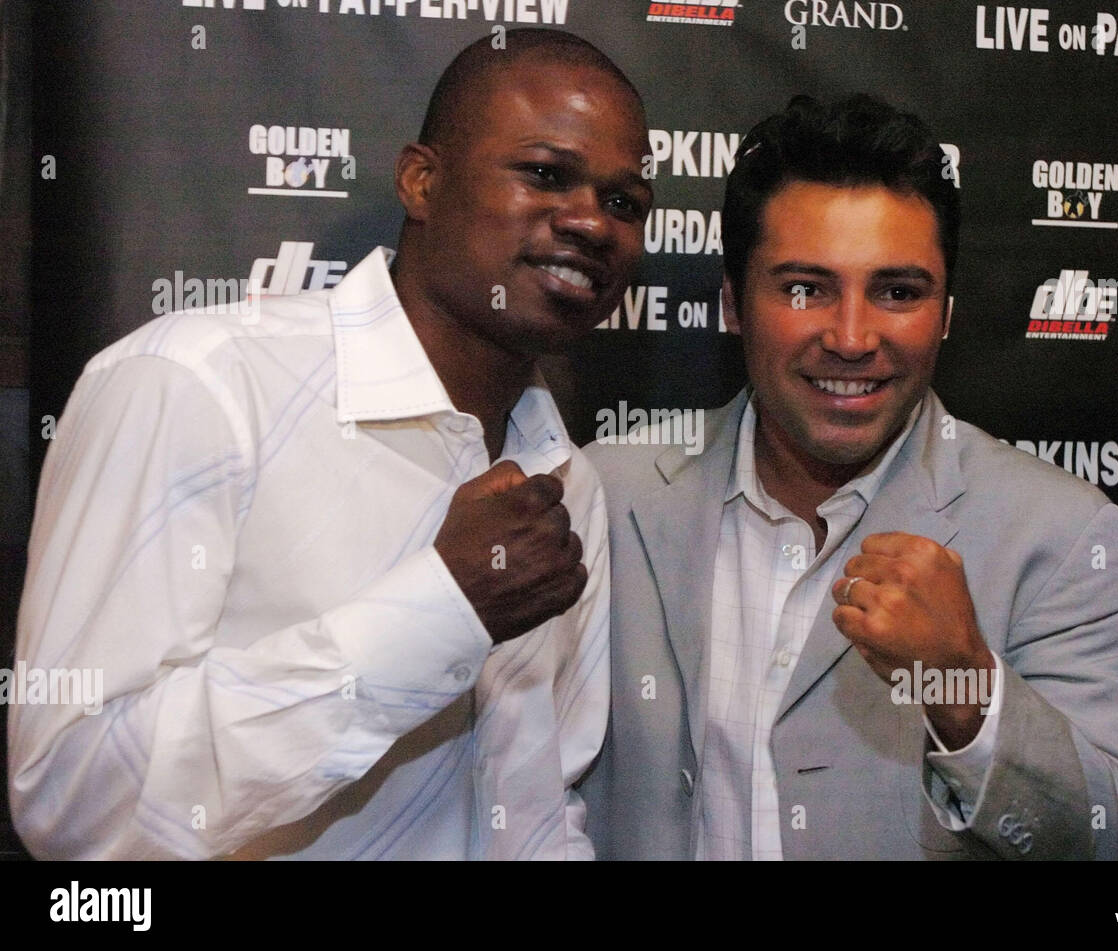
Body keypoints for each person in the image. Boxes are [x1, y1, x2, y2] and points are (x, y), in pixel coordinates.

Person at [9, 28, 652, 860]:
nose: (590, 223)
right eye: (544, 174)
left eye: (624, 202)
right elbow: (73, 795)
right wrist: (440, 612)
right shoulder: (196, 384)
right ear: (421, 180)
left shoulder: (568, 484)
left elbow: (538, 797)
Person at [579, 94, 1118, 860]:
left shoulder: (1058, 532)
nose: (852, 338)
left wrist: (965, 688)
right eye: (804, 287)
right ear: (732, 303)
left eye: (897, 292)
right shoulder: (607, 493)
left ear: (946, 313)